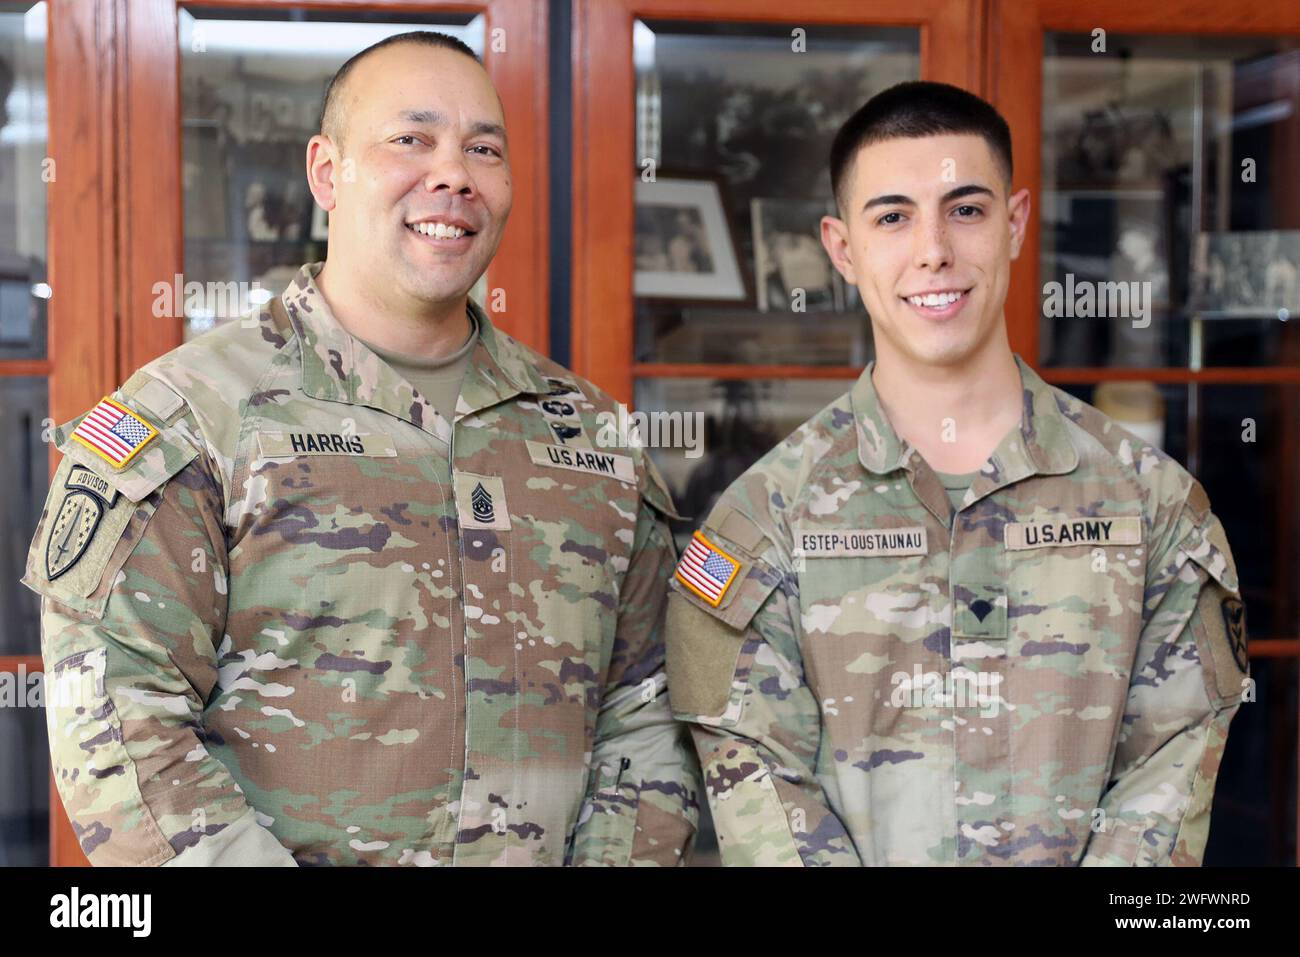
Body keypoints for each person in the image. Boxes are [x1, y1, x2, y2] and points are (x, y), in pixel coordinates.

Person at [25, 31, 699, 866]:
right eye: (410, 139)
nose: (452, 173)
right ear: (325, 172)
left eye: (482, 148)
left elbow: (645, 711)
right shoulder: (191, 418)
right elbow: (118, 727)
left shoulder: (591, 437)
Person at [664, 81, 1247, 866]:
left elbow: (1166, 775)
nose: (933, 249)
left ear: (1013, 224)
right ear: (842, 248)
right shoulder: (763, 519)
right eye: (894, 216)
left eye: (966, 210)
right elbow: (764, 794)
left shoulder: (1154, 503)